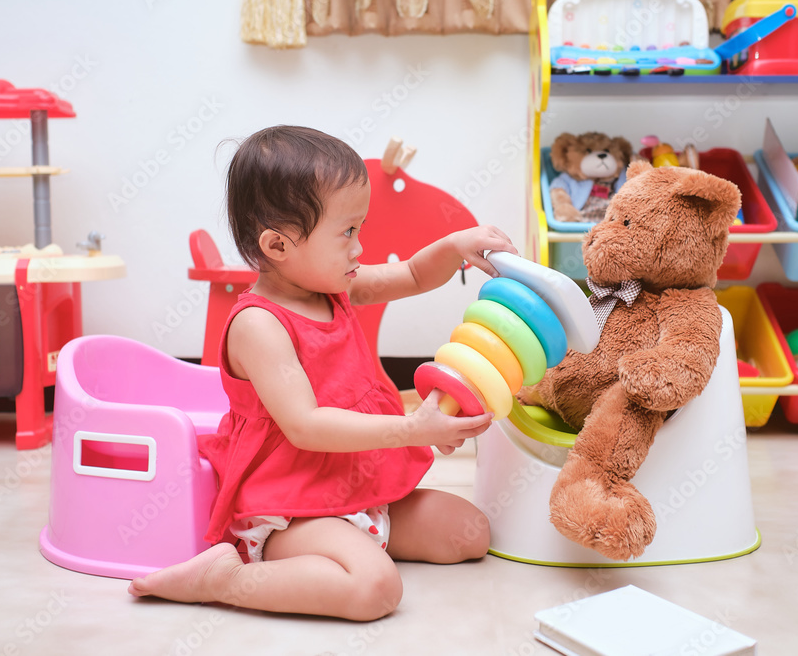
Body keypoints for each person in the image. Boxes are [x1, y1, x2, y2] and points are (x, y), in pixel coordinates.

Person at [128, 126, 518, 621]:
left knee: (470, 534)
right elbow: (306, 426)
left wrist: (454, 244)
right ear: (278, 245)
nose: (360, 248)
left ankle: (352, 543)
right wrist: (412, 429)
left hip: (356, 487)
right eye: (348, 232)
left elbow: (415, 274)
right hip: (293, 504)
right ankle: (228, 578)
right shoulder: (258, 325)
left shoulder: (338, 288)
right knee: (376, 590)